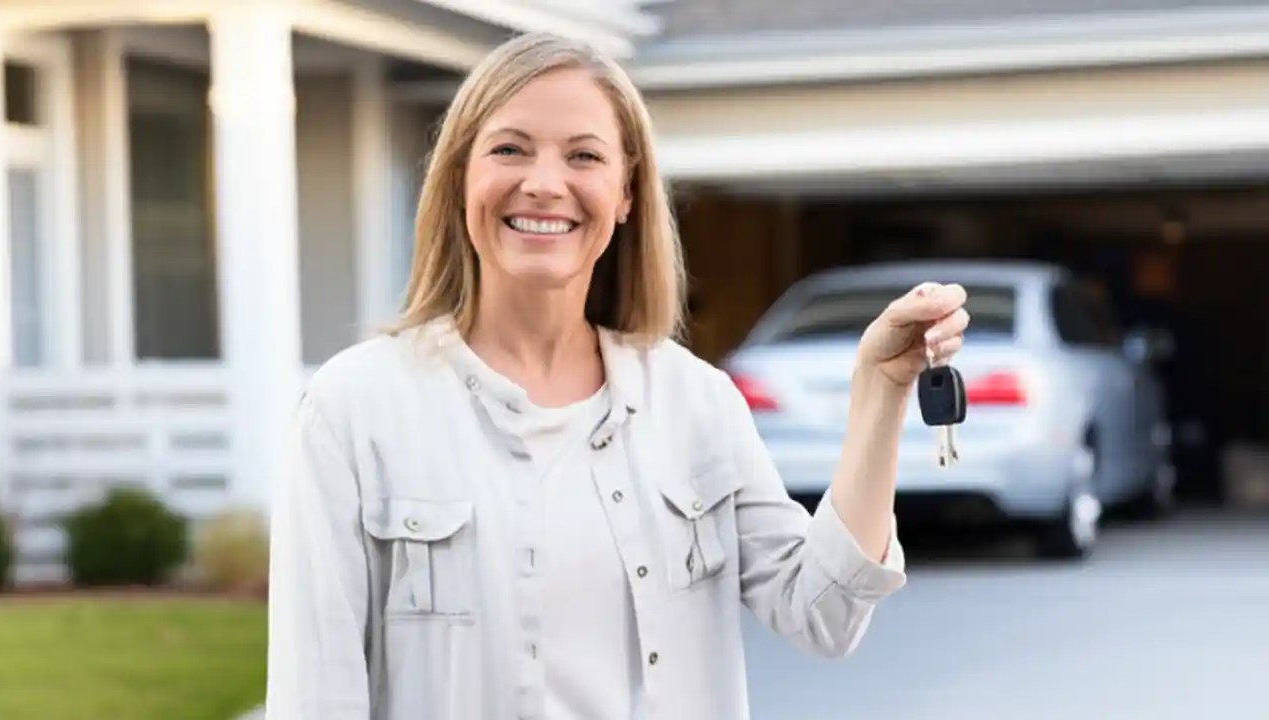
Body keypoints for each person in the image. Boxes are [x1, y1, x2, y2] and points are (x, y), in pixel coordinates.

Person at [264, 31, 969, 720]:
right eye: (509, 149)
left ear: (626, 193)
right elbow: (316, 696)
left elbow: (825, 615)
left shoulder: (696, 403)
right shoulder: (353, 408)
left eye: (584, 156)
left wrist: (881, 392)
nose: (544, 184)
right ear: (459, 180)